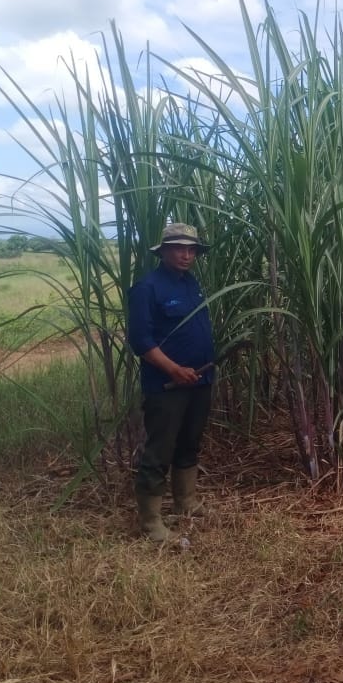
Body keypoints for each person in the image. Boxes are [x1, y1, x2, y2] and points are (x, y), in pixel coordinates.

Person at [127, 223, 216, 541]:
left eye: (191, 249)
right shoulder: (147, 288)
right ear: (163, 251)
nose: (186, 254)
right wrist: (174, 369)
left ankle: (186, 502)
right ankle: (151, 522)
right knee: (159, 449)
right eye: (179, 248)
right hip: (166, 387)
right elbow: (140, 341)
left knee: (190, 441)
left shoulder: (192, 284)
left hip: (200, 380)